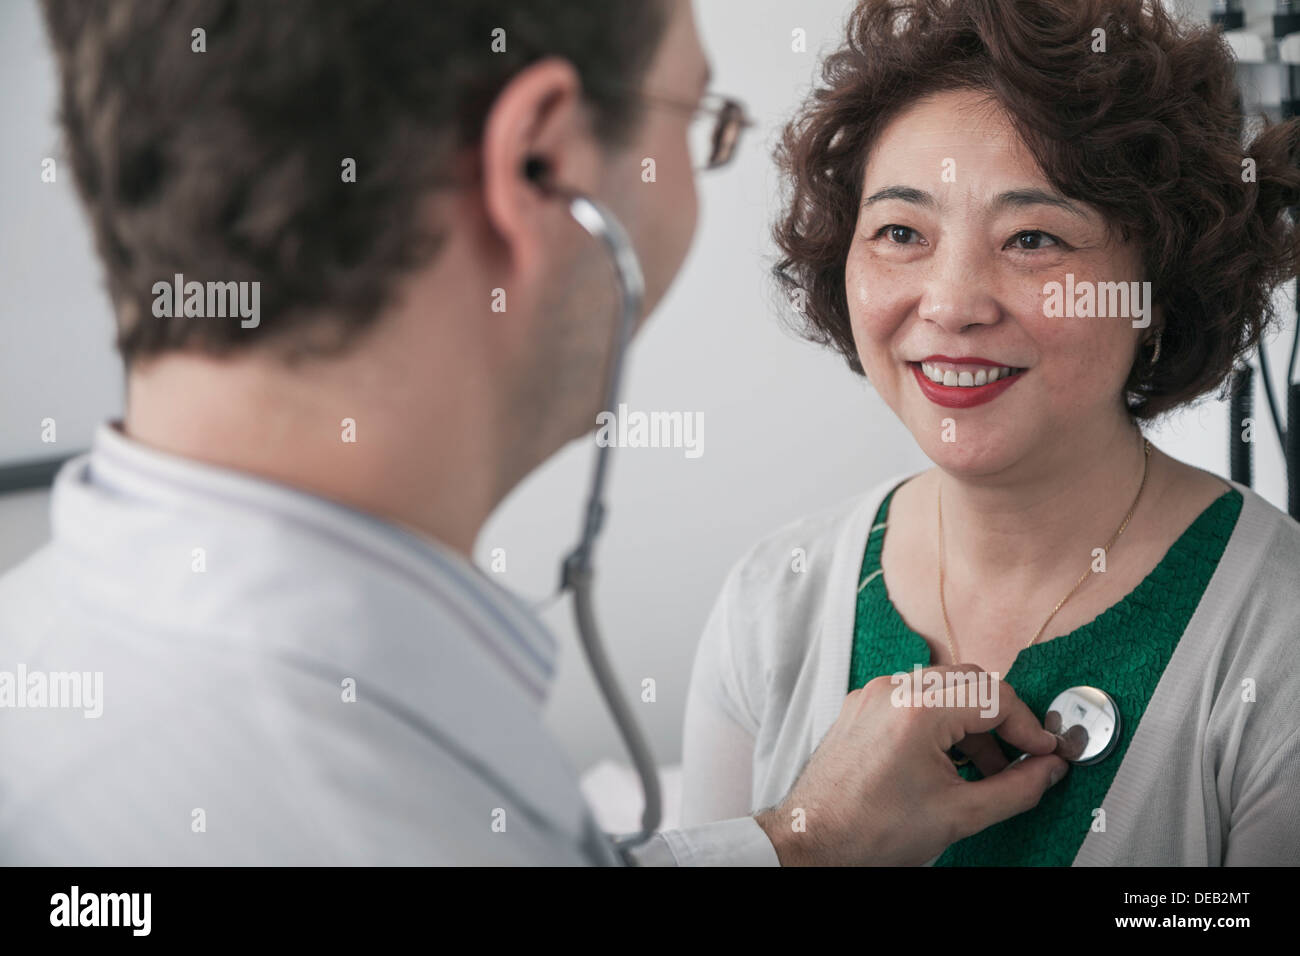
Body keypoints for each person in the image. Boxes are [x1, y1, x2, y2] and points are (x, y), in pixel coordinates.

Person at [0, 0, 1067, 866]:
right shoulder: (362, 805)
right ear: (539, 164)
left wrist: (799, 842)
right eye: (699, 123)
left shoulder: (52, 640)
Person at [681, 0, 1300, 864]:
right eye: (901, 232)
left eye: (1033, 238)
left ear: (1157, 283)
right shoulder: (772, 603)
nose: (951, 304)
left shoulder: (1277, 631)